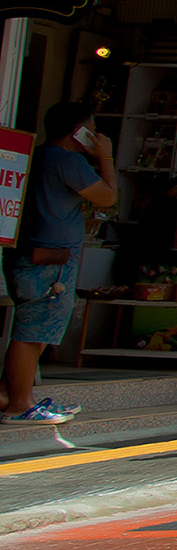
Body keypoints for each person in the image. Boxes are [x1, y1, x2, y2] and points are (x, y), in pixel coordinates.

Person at [2, 101, 115, 423]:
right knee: (33, 332)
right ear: (78, 132)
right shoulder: (66, 161)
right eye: (91, 132)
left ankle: (9, 394)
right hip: (50, 259)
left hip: (29, 253)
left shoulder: (37, 156)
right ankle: (20, 405)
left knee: (37, 329)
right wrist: (103, 156)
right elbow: (108, 196)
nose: (95, 137)